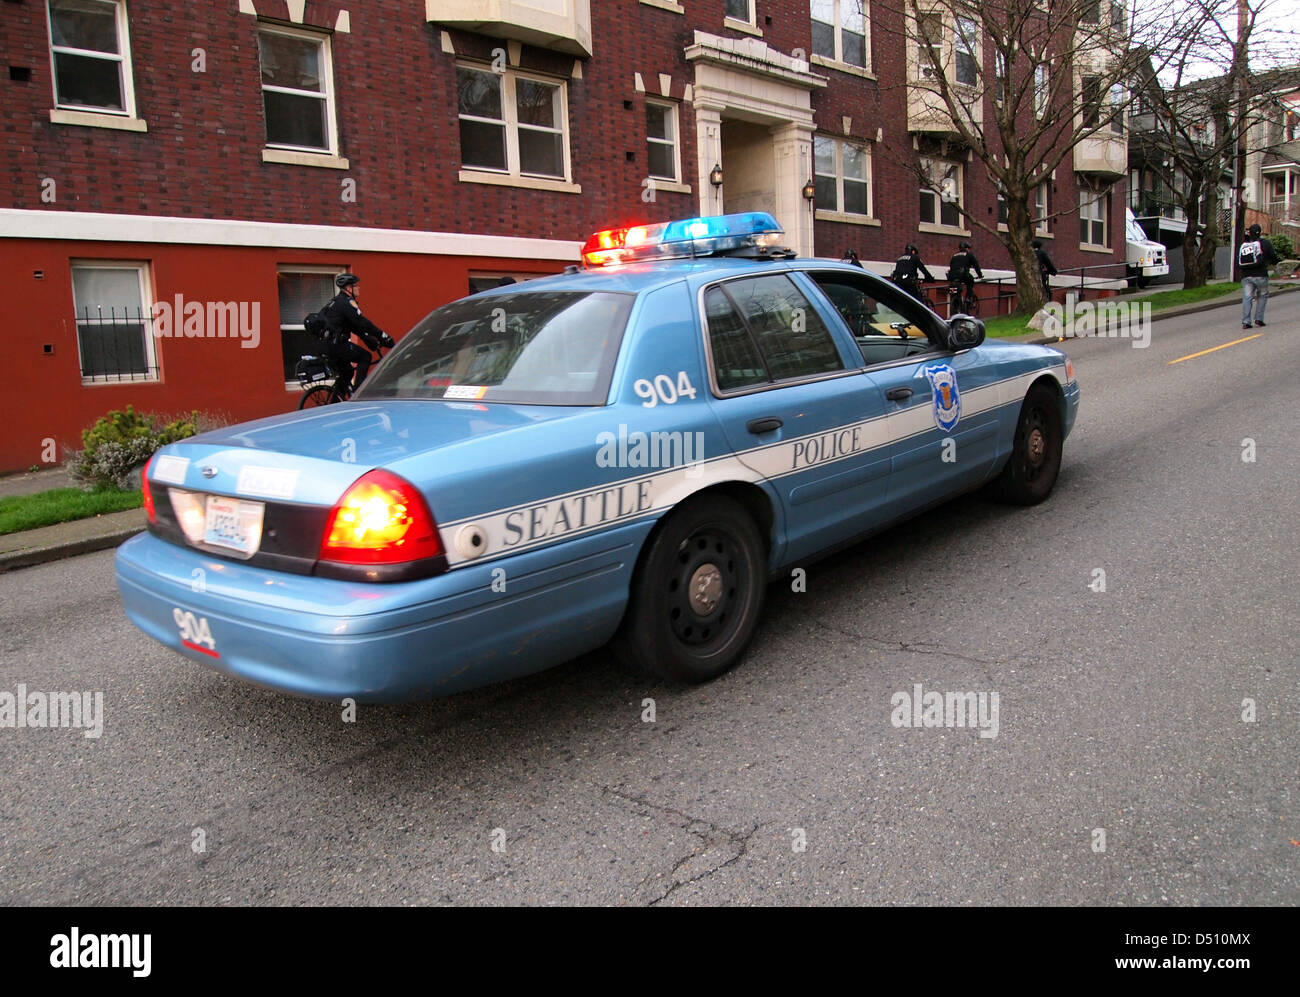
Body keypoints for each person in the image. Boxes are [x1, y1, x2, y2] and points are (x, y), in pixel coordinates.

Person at [321, 273, 394, 397]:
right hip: (336, 345)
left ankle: (336, 402)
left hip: (325, 346)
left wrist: (368, 339)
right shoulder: (346, 303)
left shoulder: (334, 302)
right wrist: (383, 336)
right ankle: (358, 393)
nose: (358, 288)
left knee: (347, 373)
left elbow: (353, 326)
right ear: (349, 288)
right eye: (356, 286)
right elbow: (363, 323)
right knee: (365, 357)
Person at [1238, 223, 1279, 329]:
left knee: (1247, 298)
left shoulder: (1245, 245)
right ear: (1260, 232)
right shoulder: (1265, 243)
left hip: (1246, 276)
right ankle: (1259, 319)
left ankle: (1246, 321)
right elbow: (1273, 257)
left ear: (1249, 233)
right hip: (1261, 275)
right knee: (1262, 296)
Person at [947, 240, 984, 308]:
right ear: (966, 248)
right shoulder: (969, 255)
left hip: (952, 275)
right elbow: (976, 266)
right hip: (962, 275)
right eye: (968, 248)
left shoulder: (954, 256)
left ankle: (956, 300)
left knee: (955, 286)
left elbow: (951, 265)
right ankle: (968, 298)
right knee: (970, 281)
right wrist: (980, 275)